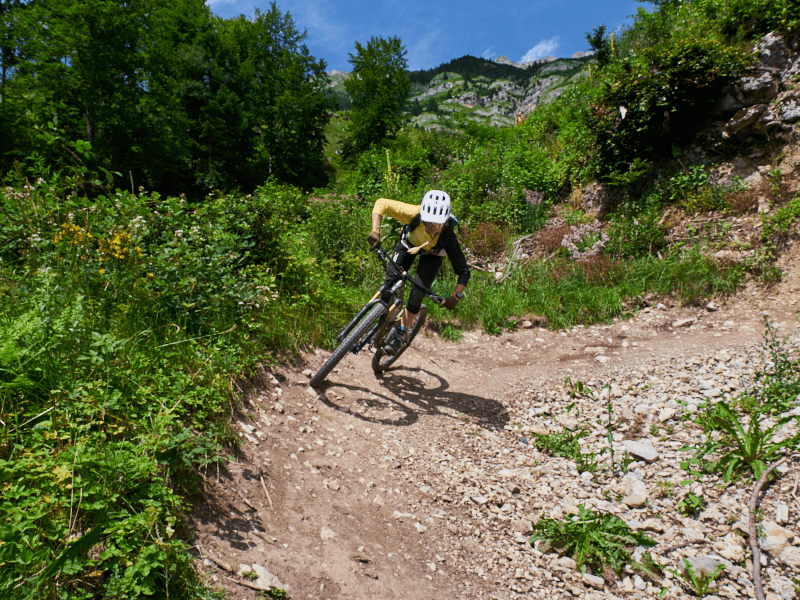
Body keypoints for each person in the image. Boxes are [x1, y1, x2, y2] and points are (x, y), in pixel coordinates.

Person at [367, 190, 470, 355]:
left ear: (444, 222)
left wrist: (456, 296)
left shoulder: (448, 236)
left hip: (433, 254)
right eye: (427, 221)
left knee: (418, 293)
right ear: (422, 214)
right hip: (408, 245)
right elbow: (382, 203)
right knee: (390, 283)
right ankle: (379, 321)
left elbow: (463, 271)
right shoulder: (414, 213)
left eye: (436, 224)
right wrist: (376, 230)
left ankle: (400, 334)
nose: (430, 227)